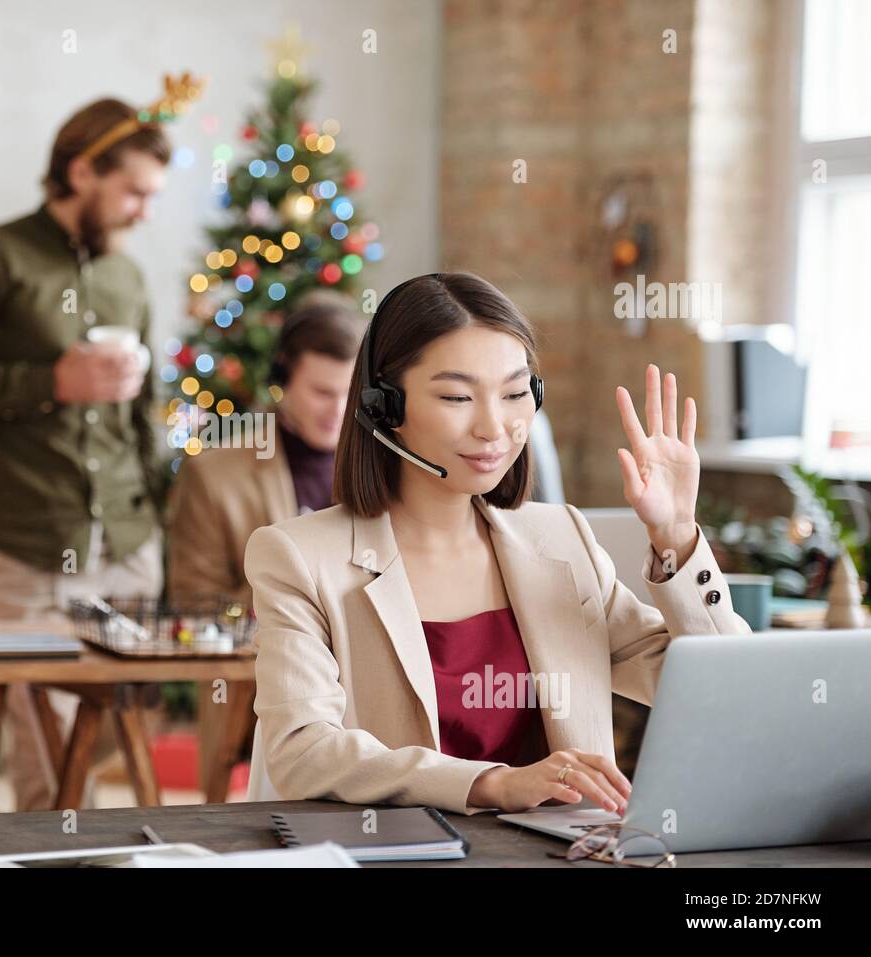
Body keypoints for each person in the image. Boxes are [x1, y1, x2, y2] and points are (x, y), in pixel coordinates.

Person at [243, 272, 751, 813]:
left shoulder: (562, 539)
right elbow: (302, 749)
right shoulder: (300, 558)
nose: (494, 427)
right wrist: (493, 784)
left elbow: (723, 690)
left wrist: (676, 535)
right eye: (458, 396)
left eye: (514, 394)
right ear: (383, 407)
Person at [0, 97, 171, 811]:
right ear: (81, 171)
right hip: (26, 541)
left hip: (129, 541)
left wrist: (161, 506)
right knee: (44, 753)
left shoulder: (129, 277)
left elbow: (146, 412)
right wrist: (51, 382)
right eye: (135, 191)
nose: (145, 211)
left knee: (121, 730)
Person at [167, 292, 363, 608]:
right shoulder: (212, 474)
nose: (339, 410)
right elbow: (195, 604)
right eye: (322, 392)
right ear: (282, 379)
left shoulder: (392, 468)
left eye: (351, 393)